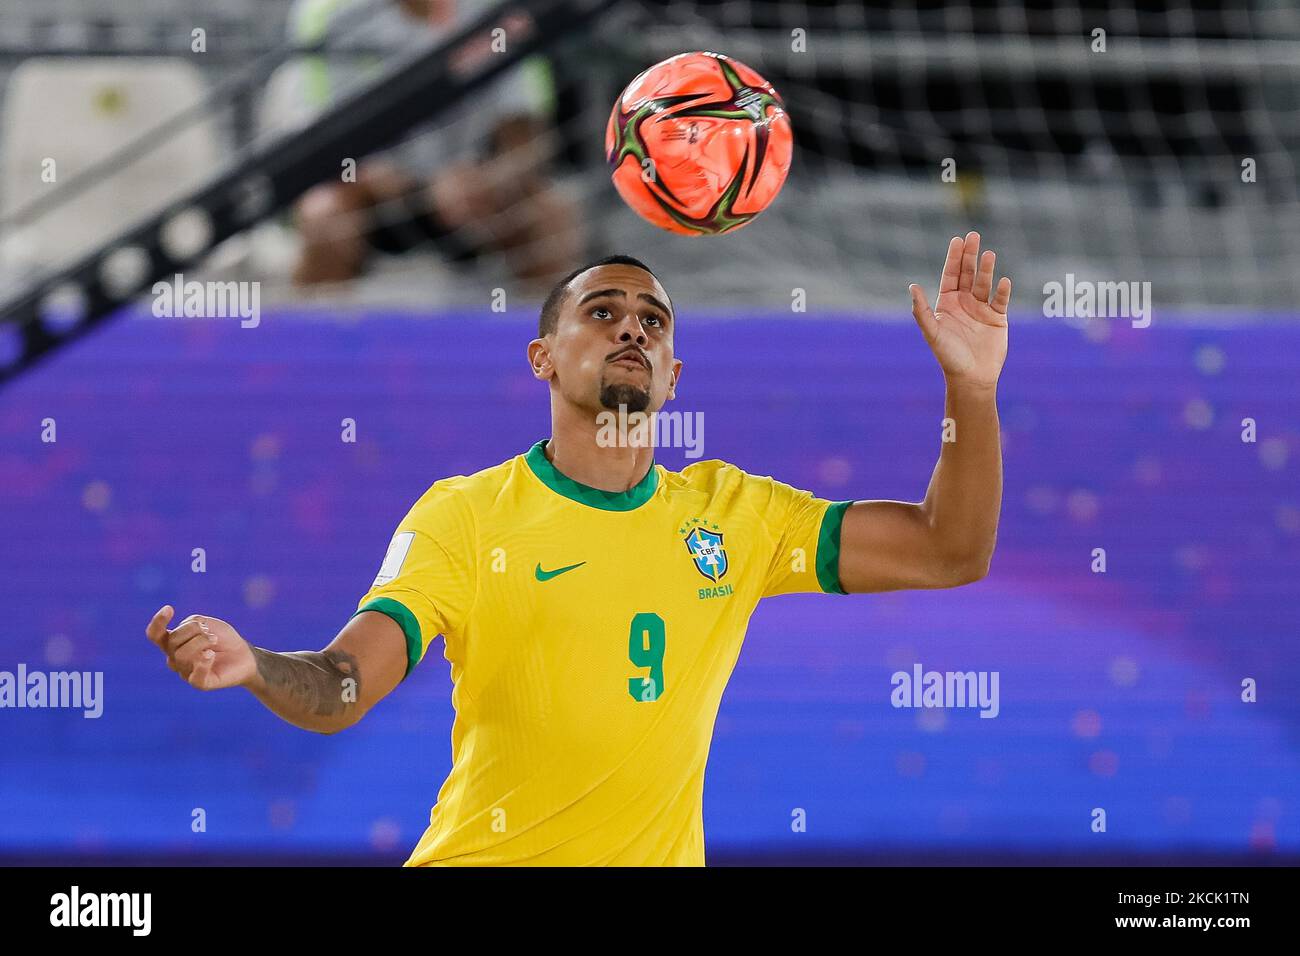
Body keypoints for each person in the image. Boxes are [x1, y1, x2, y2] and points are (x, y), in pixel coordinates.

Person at [145, 232, 1012, 866]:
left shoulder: (735, 515)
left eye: (653, 321)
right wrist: (257, 665)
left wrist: (969, 388)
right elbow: (342, 684)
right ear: (542, 359)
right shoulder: (467, 516)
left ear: (674, 377)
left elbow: (949, 550)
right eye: (602, 313)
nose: (632, 329)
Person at [273, 0, 581, 287]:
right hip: (370, 199)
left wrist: (490, 179)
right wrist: (403, 185)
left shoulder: (500, 9)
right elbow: (319, 148)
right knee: (323, 213)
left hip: (472, 200)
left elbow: (528, 137)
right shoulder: (327, 11)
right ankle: (313, 342)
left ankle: (551, 341)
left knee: (548, 216)